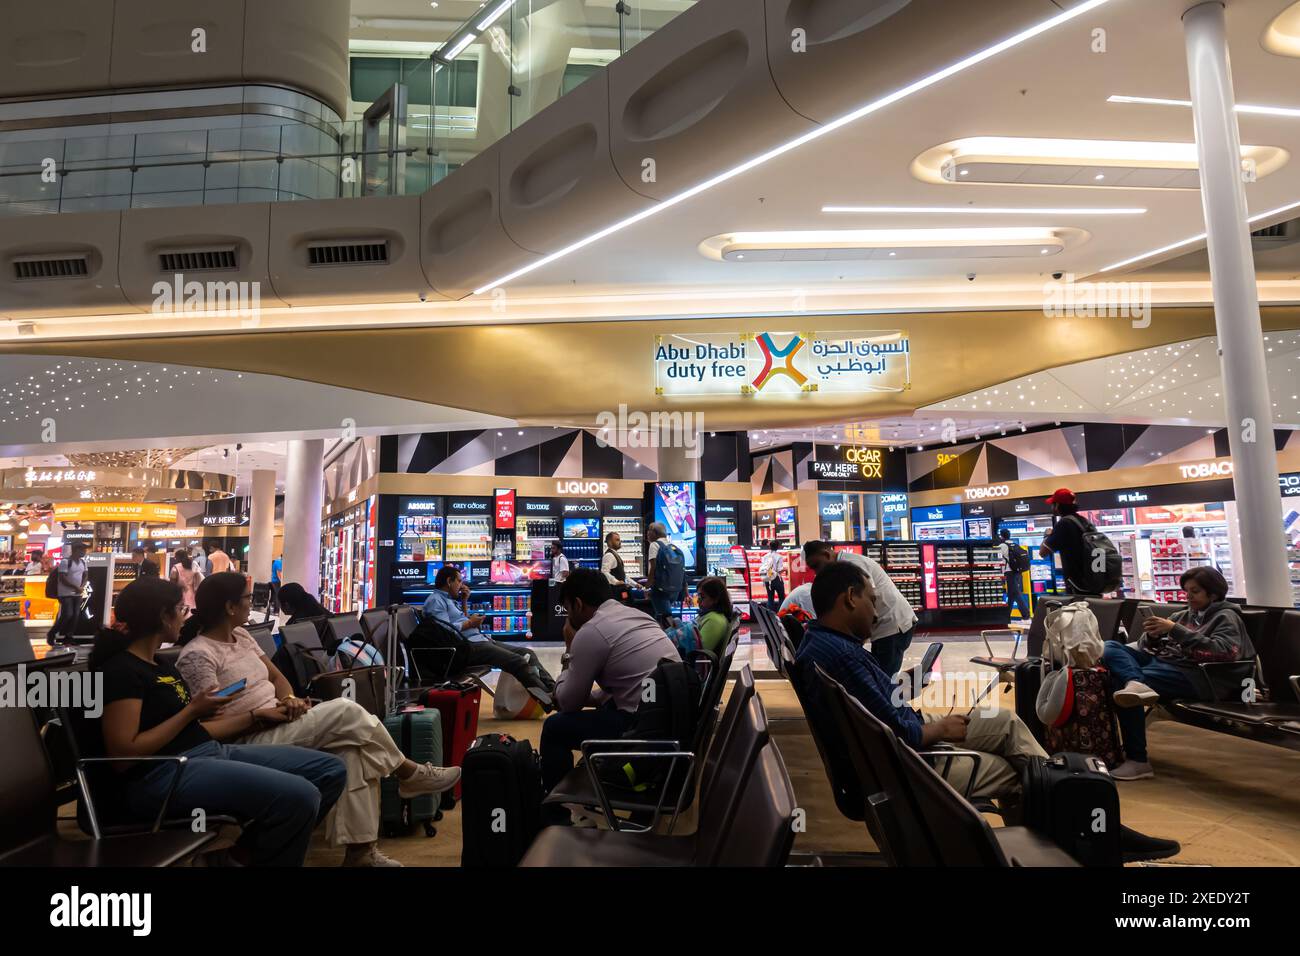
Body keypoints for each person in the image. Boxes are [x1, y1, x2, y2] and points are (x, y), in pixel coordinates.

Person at [176, 573, 460, 866]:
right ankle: (408, 773)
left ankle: (361, 853)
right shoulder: (199, 656)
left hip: (279, 721)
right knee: (345, 710)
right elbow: (206, 731)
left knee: (353, 750)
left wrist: (288, 701)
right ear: (229, 607)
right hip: (248, 741)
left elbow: (277, 677)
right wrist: (258, 716)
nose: (253, 603)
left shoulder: (243, 637)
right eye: (247, 598)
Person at [96, 576, 347, 866]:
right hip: (164, 773)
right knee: (301, 797)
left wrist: (254, 717)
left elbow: (196, 729)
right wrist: (190, 712)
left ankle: (241, 855)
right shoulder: (121, 671)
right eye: (180, 609)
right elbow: (123, 754)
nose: (186, 616)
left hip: (206, 753)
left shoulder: (160, 665)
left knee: (330, 769)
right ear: (162, 616)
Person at [795, 561, 1045, 811]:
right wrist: (941, 730)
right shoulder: (845, 658)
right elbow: (896, 736)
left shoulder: (820, 643)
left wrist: (903, 686)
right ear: (850, 598)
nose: (876, 614)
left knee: (1005, 722)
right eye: (872, 601)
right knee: (1017, 774)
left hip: (902, 743)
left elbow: (873, 706)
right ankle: (1053, 812)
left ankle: (1056, 783)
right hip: (909, 767)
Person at [1101, 566, 1254, 781]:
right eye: (1187, 591)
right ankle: (1135, 681)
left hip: (1198, 676)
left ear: (1214, 593)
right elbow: (1146, 646)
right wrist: (1153, 636)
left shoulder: (1226, 617)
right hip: (1166, 664)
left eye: (1195, 591)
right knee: (1109, 646)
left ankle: (1138, 759)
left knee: (1118, 682)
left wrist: (1173, 629)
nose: (1189, 596)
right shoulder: (1183, 615)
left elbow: (1225, 652)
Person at [541, 569, 679, 805]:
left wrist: (568, 648)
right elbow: (627, 680)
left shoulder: (590, 631)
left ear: (577, 603)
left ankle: (557, 811)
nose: (567, 617)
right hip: (670, 718)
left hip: (642, 729)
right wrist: (592, 698)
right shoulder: (636, 615)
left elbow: (567, 703)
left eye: (567, 608)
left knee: (555, 728)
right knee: (604, 709)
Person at [422, 565, 555, 697]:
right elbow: (444, 632)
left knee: (527, 653)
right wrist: (469, 623)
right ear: (449, 581)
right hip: (468, 647)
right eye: (459, 581)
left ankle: (553, 689)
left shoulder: (449, 599)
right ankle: (547, 697)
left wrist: (464, 602)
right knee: (517, 661)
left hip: (479, 640)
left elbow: (457, 621)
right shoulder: (435, 601)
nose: (461, 585)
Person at [803, 540, 918, 679]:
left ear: (826, 554)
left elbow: (867, 596)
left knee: (883, 679)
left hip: (892, 624)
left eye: (816, 566)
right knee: (879, 676)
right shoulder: (841, 567)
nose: (817, 572)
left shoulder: (851, 564)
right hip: (885, 625)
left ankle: (900, 693)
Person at [1038, 488, 1100, 597]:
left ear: (1057, 506)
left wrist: (1047, 535)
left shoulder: (1064, 523)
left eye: (1053, 504)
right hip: (1095, 582)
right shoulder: (1084, 521)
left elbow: (1043, 552)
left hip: (1078, 586)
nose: (1052, 507)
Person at [49, 541, 89, 644]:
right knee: (68, 615)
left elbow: (85, 575)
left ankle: (68, 637)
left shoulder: (83, 562)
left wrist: (81, 586)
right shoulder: (65, 562)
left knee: (75, 615)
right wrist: (75, 587)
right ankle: (52, 633)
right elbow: (62, 578)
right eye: (82, 550)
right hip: (65, 593)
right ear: (76, 550)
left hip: (77, 593)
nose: (84, 552)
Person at [645, 522, 683, 624]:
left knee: (665, 620)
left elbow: (653, 568)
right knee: (662, 616)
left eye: (649, 531)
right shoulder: (672, 546)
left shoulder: (654, 545)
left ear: (654, 533)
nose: (647, 534)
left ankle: (674, 637)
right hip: (674, 591)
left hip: (660, 589)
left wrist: (647, 587)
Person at [694, 576, 734, 655]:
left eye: (702, 597)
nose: (698, 600)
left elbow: (698, 653)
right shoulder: (707, 614)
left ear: (715, 599)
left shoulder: (714, 621)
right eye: (698, 596)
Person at [997, 528, 1030, 620]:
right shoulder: (1015, 544)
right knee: (1011, 594)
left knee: (1015, 593)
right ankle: (1007, 615)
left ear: (1001, 536)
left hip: (1009, 572)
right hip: (1018, 572)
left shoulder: (1002, 546)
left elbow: (995, 558)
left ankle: (1026, 615)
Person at [760, 540, 786, 611]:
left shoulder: (765, 556)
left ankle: (770, 616)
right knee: (781, 598)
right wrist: (785, 570)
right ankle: (779, 615)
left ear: (769, 546)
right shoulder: (779, 557)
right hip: (776, 579)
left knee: (770, 598)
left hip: (767, 579)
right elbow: (779, 570)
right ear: (778, 547)